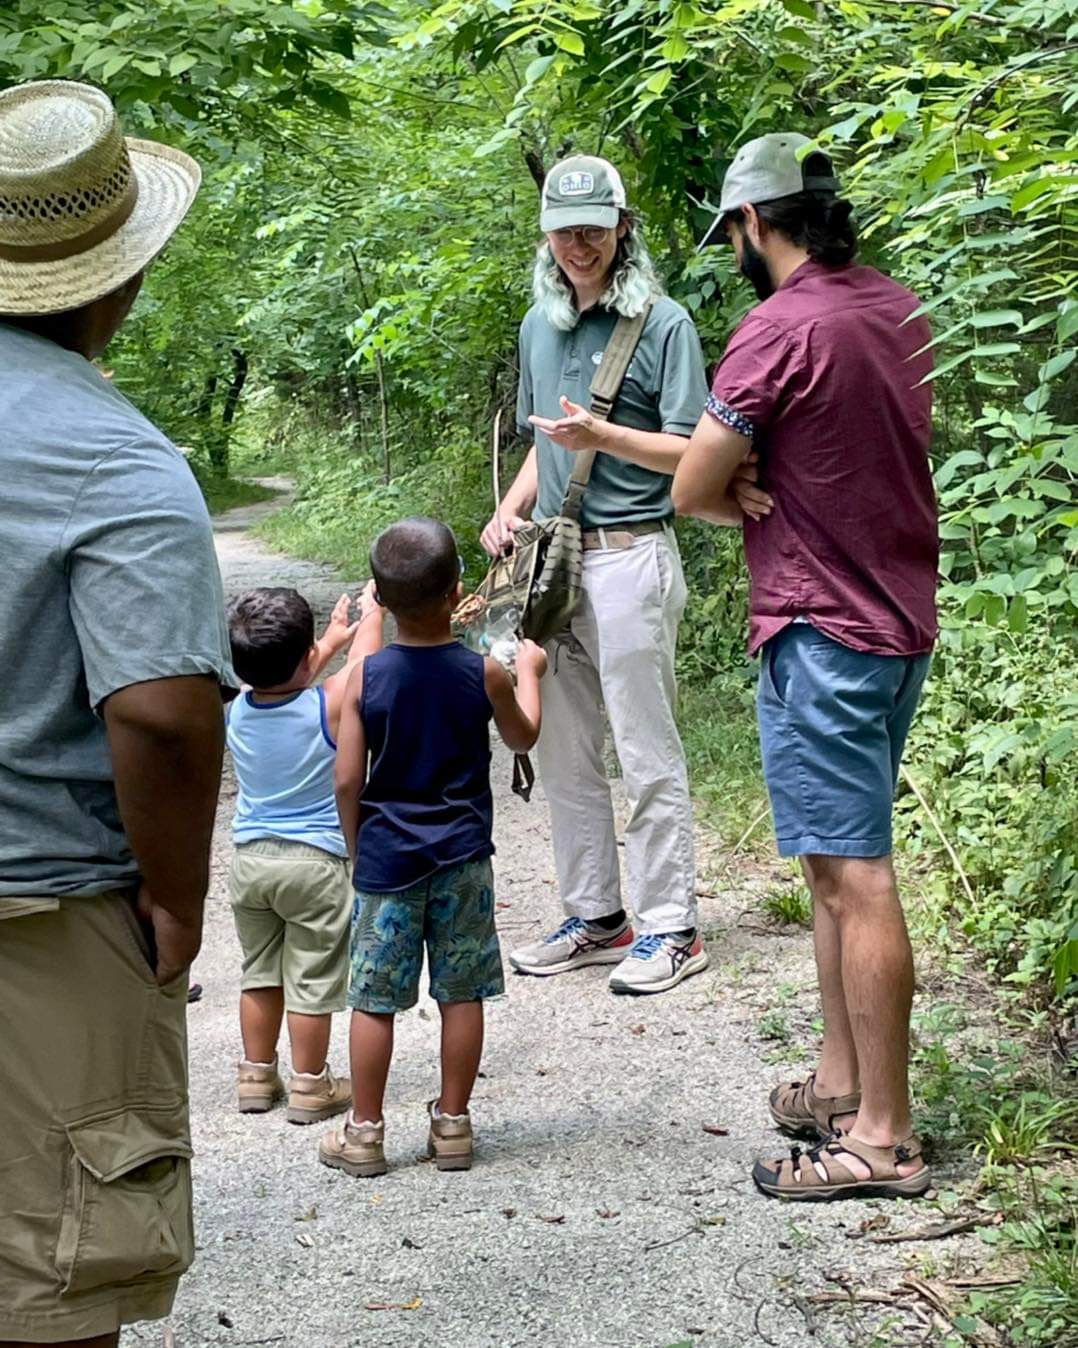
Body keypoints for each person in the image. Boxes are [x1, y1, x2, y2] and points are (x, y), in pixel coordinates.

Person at [0, 81, 234, 1345]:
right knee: (57, 1284)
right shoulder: (115, 457)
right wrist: (179, 893)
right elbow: (159, 714)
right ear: (117, 277)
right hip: (42, 919)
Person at [672, 133, 938, 1200]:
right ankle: (839, 1080)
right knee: (834, 868)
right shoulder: (896, 308)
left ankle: (881, 1137)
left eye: (733, 231)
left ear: (751, 224)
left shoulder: (776, 328)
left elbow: (694, 483)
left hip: (819, 623)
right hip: (895, 616)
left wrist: (723, 486)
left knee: (856, 876)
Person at [481, 154, 710, 994]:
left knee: (646, 747)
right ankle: (596, 915)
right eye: (563, 229)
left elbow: (696, 454)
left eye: (593, 228)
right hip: (554, 562)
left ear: (623, 226)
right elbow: (547, 444)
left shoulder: (664, 323)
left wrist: (606, 439)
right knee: (567, 749)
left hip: (631, 553)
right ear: (545, 232)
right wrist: (509, 508)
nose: (579, 244)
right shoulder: (538, 324)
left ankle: (672, 926)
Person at [318, 518, 546, 1177]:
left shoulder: (364, 680)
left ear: (379, 602)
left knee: (374, 1000)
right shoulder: (484, 674)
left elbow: (345, 778)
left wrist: (361, 851)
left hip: (387, 862)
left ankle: (364, 1133)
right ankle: (453, 1126)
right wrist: (528, 668)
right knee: (461, 991)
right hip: (463, 860)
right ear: (458, 593)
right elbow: (524, 737)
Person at [226, 584, 383, 1122]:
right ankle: (310, 1085)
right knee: (312, 978)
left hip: (250, 860)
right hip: (314, 862)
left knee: (260, 970)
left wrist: (329, 639)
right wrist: (371, 617)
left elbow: (283, 680)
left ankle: (254, 1075)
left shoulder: (237, 711)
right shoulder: (329, 704)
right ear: (304, 658)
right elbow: (366, 666)